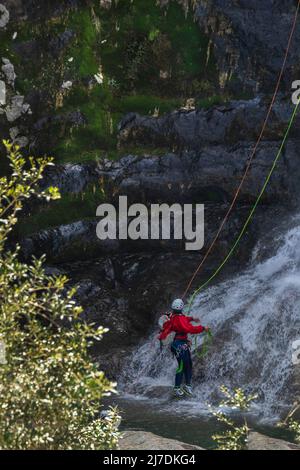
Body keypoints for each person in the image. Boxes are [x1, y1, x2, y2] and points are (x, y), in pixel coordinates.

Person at [158, 298, 209, 398]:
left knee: (188, 364)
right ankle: (177, 388)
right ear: (182, 307)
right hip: (179, 344)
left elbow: (183, 320)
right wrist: (203, 328)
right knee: (182, 365)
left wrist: (192, 319)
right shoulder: (179, 318)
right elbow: (189, 328)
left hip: (180, 343)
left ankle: (187, 385)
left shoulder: (174, 317)